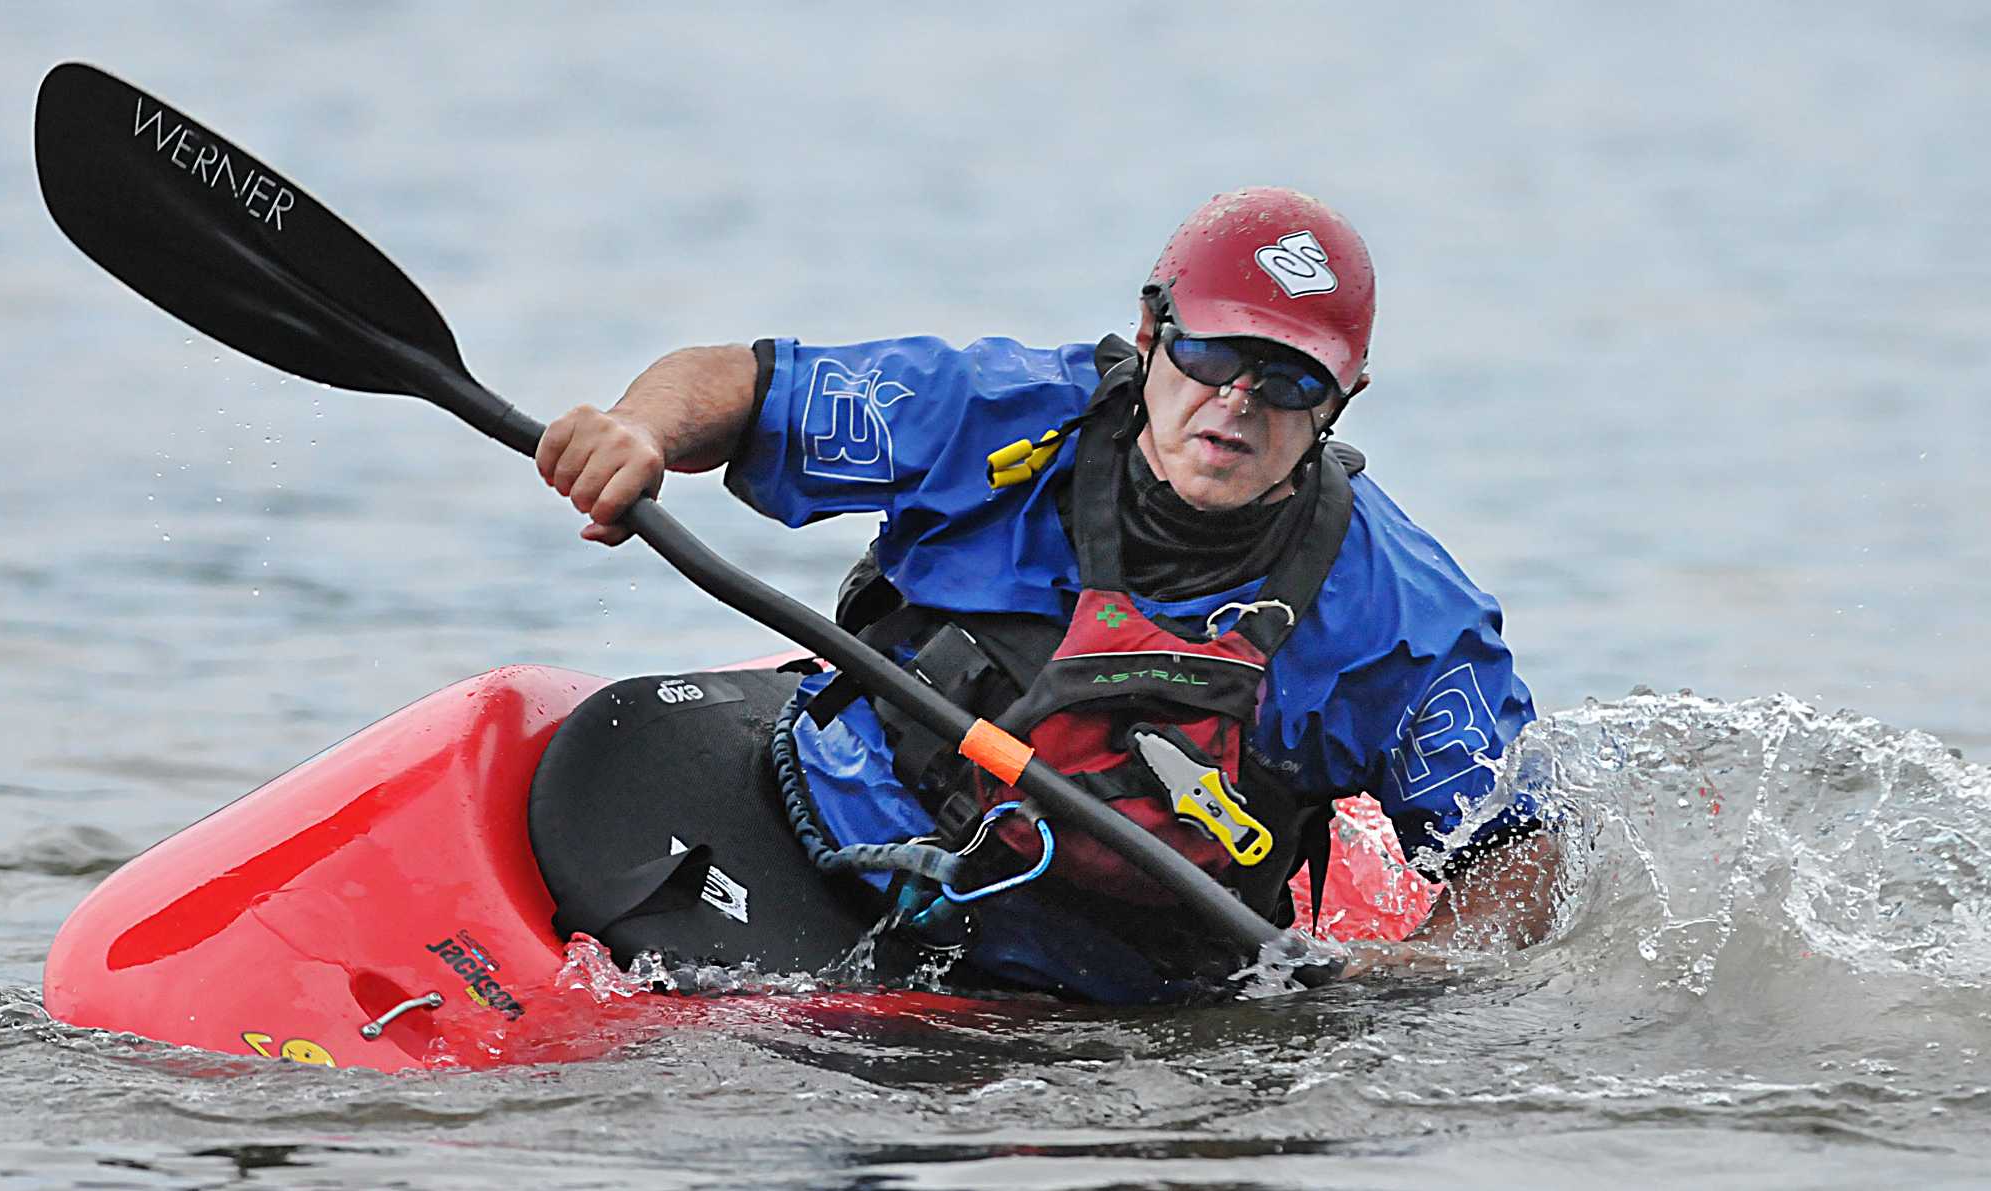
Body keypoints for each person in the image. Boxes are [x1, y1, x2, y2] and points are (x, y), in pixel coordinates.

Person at [534, 187, 1558, 1002]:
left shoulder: (1403, 616)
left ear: (1343, 397)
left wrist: (1412, 974)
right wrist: (641, 431)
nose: (1235, 405)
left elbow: (1516, 853)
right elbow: (735, 384)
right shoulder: (996, 414)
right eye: (1211, 355)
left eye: (1287, 381)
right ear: (1152, 331)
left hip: (1113, 988)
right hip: (826, 839)